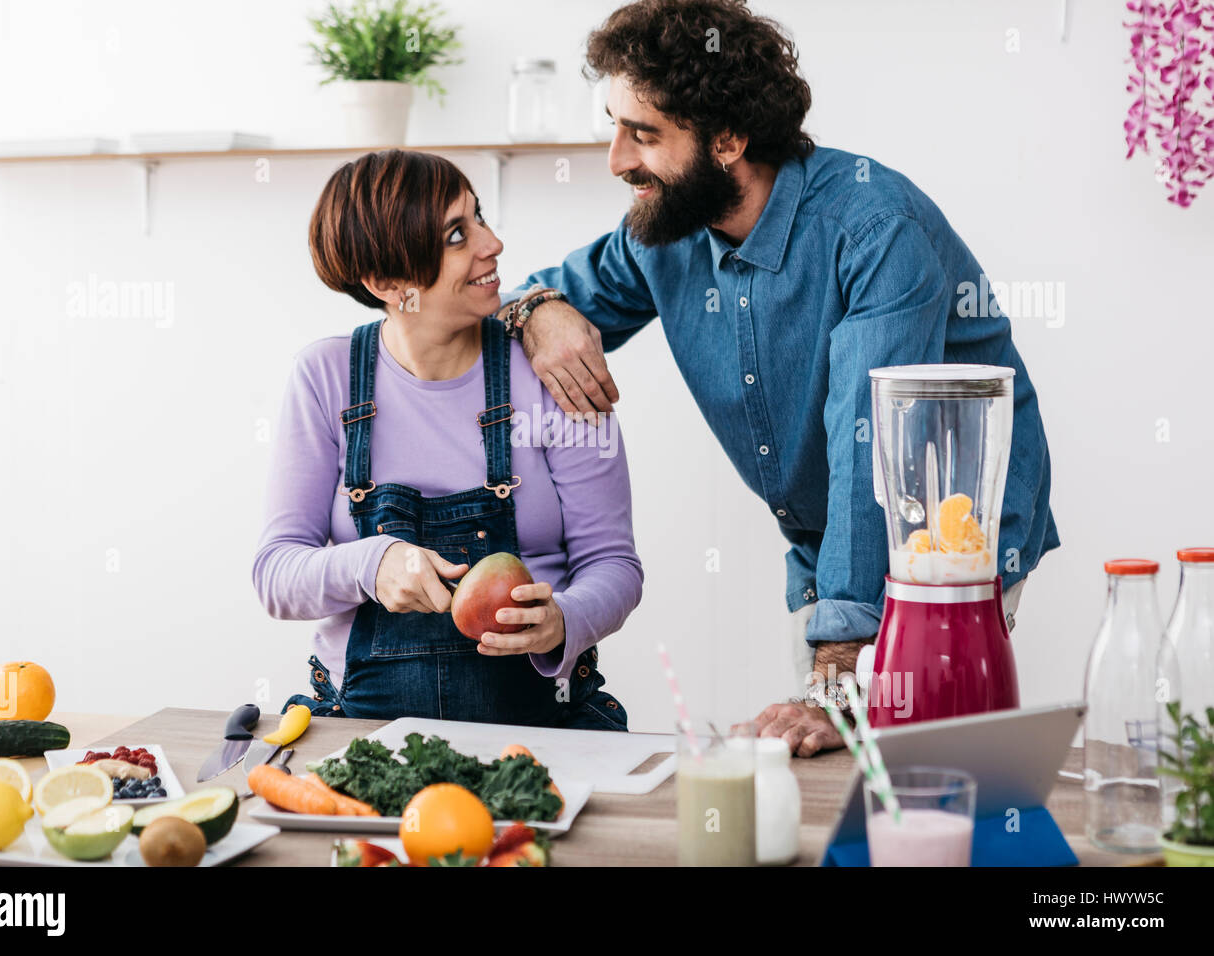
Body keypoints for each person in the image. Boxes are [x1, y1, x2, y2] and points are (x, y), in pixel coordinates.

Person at [500, 0, 1059, 753]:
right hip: (830, 537)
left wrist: (836, 675)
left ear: (728, 140)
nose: (617, 161)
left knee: (920, 757)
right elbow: (522, 296)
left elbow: (872, 443)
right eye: (614, 125)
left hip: (948, 531)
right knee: (828, 758)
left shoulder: (872, 227)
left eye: (644, 133)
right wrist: (539, 308)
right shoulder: (669, 231)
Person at [253, 150, 642, 730]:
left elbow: (613, 564)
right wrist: (372, 564)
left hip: (542, 728)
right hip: (359, 725)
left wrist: (564, 617)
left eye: (479, 216)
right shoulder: (325, 377)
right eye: (457, 235)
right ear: (390, 283)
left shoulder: (553, 369)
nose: (492, 244)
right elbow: (275, 573)